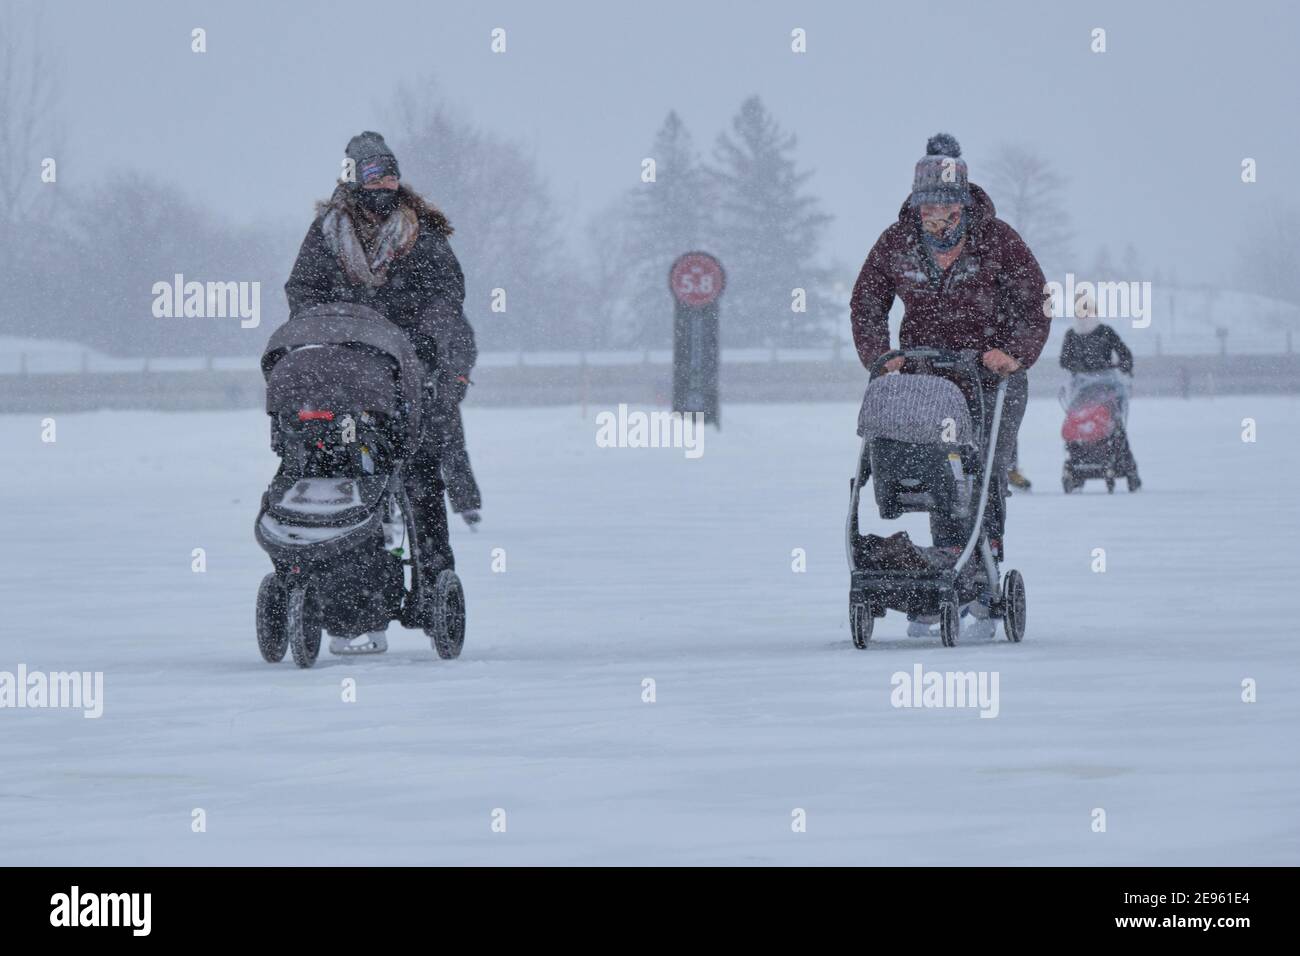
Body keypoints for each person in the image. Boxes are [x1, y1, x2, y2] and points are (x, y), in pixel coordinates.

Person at [285, 131, 477, 653]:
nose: (384, 185)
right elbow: (302, 290)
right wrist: (323, 327)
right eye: (374, 176)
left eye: (391, 174)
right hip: (343, 371)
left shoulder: (422, 234)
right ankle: (314, 577)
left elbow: (445, 298)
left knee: (419, 474)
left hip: (405, 373)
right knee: (322, 463)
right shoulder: (326, 234)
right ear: (353, 179)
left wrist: (424, 342)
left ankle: (434, 578)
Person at [850, 133, 1050, 628]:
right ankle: (941, 568)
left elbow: (1036, 304)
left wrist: (1014, 354)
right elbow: (867, 303)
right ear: (917, 204)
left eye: (947, 205)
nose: (937, 215)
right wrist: (881, 357)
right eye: (928, 206)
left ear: (963, 201)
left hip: (989, 377)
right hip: (924, 378)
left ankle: (984, 568)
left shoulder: (998, 240)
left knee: (981, 469)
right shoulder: (897, 243)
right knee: (938, 469)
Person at [1060, 292, 1140, 488]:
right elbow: (1064, 360)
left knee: (1114, 427)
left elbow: (1124, 354)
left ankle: (1125, 465)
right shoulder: (1072, 335)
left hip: (1106, 388)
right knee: (1082, 424)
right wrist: (1080, 366)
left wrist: (1122, 366)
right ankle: (1080, 460)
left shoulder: (1105, 332)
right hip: (1082, 391)